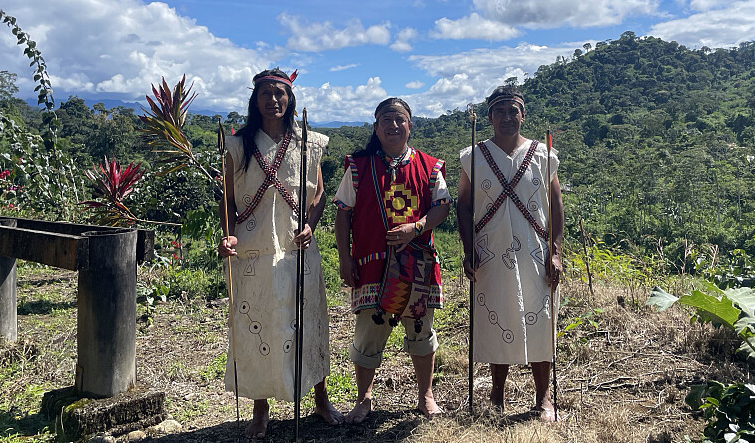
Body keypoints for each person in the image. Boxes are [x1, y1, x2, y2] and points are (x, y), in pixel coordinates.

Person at [217, 69, 342, 439]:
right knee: (258, 323)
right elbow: (226, 199)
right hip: (253, 250)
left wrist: (311, 224)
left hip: (296, 247)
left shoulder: (308, 143)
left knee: (308, 319)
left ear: (290, 100)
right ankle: (260, 407)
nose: (274, 100)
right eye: (266, 94)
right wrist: (227, 236)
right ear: (255, 100)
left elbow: (318, 194)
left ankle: (320, 398)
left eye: (281, 93)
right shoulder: (237, 146)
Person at [333, 97, 451, 423]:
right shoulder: (358, 167)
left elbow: (442, 205)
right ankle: (363, 398)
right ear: (376, 127)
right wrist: (345, 258)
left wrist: (417, 227)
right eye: (386, 119)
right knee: (369, 332)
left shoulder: (429, 166)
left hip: (417, 265)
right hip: (372, 265)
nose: (393, 125)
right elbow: (342, 214)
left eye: (400, 119)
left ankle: (426, 396)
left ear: (410, 125)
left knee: (420, 328)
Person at [456, 85, 564, 421]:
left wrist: (556, 251)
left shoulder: (544, 155)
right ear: (489, 117)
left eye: (513, 110)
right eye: (500, 111)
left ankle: (544, 397)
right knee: (498, 319)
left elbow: (556, 204)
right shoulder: (472, 156)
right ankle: (497, 396)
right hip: (491, 250)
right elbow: (463, 205)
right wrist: (468, 247)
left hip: (535, 250)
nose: (507, 117)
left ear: (523, 114)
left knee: (541, 321)